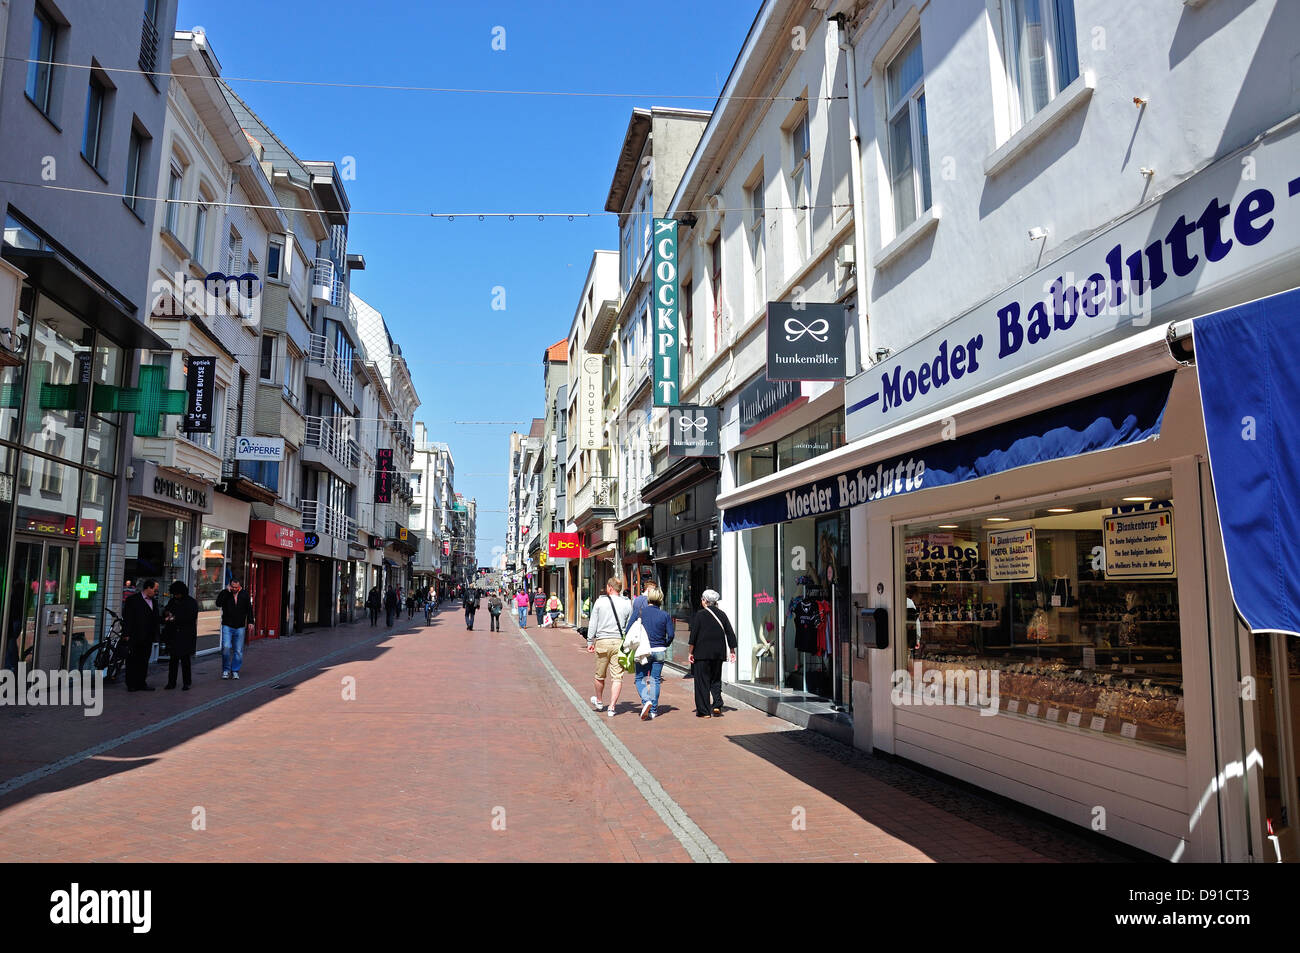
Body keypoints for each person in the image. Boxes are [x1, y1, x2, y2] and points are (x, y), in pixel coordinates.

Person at [586, 576, 631, 717]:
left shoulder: (600, 602)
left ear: (610, 588)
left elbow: (593, 622)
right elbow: (629, 625)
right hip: (618, 642)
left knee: (599, 675)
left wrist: (589, 641)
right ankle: (612, 707)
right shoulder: (627, 603)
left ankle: (599, 701)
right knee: (617, 677)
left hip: (602, 642)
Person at [688, 589, 737, 718]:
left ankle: (704, 711)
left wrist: (690, 652)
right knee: (715, 680)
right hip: (718, 653)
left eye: (702, 599)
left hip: (702, 653)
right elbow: (730, 633)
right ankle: (717, 705)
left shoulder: (700, 615)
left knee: (702, 682)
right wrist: (732, 650)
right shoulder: (722, 614)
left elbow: (693, 635)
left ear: (705, 600)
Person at [633, 584, 673, 720]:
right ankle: (654, 710)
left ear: (648, 598)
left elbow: (628, 630)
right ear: (660, 599)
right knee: (655, 679)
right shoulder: (665, 615)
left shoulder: (640, 612)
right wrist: (665, 644)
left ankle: (646, 701)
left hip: (643, 650)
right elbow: (671, 635)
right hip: (659, 650)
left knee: (640, 678)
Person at [122, 579, 161, 692]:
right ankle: (131, 684)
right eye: (155, 589)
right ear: (148, 588)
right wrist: (126, 634)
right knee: (132, 660)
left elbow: (155, 618)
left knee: (144, 660)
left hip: (148, 637)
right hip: (135, 636)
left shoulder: (154, 601)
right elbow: (128, 618)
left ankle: (141, 682)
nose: (156, 592)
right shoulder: (133, 600)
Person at [214, 578, 254, 680]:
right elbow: (218, 603)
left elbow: (249, 609)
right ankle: (226, 670)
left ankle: (235, 670)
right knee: (226, 647)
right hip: (227, 625)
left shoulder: (244, 594)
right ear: (230, 585)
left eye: (237, 587)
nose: (235, 589)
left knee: (238, 650)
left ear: (239, 586)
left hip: (240, 626)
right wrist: (227, 592)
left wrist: (250, 622)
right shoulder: (225, 593)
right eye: (233, 587)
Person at [162, 579, 199, 691]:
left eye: (177, 594)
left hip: (186, 634)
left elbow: (191, 617)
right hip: (174, 634)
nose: (175, 596)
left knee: (185, 660)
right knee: (173, 660)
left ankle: (186, 682)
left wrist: (175, 618)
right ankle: (171, 682)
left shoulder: (191, 602)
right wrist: (167, 614)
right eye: (174, 594)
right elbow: (166, 610)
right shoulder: (173, 601)